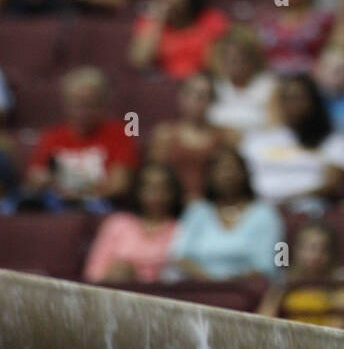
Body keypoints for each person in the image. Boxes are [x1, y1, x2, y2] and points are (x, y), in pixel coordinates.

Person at [239, 72, 344, 210]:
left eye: (298, 98)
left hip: (311, 210)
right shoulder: (258, 139)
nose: (291, 104)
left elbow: (333, 184)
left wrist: (286, 200)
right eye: (286, 99)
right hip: (259, 210)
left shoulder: (335, 139)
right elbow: (239, 179)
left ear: (314, 101)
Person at [26, 66, 139, 210]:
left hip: (97, 205)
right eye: (77, 104)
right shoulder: (52, 136)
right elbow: (33, 180)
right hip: (54, 203)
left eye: (90, 105)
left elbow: (119, 186)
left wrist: (71, 190)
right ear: (66, 104)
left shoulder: (121, 133)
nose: (82, 112)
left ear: (104, 103)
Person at [168, 146, 284, 280]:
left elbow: (267, 265)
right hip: (198, 287)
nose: (228, 175)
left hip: (245, 291)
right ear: (210, 175)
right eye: (221, 170)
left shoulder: (265, 213)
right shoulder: (197, 211)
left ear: (245, 173)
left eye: (233, 169)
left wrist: (230, 283)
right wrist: (208, 281)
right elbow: (179, 256)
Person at [83, 162, 183, 283]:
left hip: (157, 295)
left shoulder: (180, 230)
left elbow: (175, 276)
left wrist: (135, 277)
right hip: (110, 290)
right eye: (149, 187)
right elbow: (93, 272)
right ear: (137, 190)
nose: (156, 194)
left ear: (173, 192)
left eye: (163, 188)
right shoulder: (117, 223)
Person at [128, 0, 230, 79]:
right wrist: (158, 21)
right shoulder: (151, 22)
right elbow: (139, 61)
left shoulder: (212, 20)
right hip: (164, 86)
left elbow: (217, 65)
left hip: (201, 84)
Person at [145, 72, 230, 201]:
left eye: (204, 96)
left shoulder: (224, 136)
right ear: (181, 97)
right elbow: (154, 175)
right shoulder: (165, 135)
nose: (197, 101)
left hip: (211, 206)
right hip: (171, 206)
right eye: (191, 94)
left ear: (212, 102)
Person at [258, 220, 344, 328]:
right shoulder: (284, 282)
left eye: (323, 249)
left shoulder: (341, 286)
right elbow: (263, 323)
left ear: (332, 254)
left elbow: (338, 330)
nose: (315, 255)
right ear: (296, 249)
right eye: (308, 248)